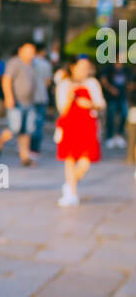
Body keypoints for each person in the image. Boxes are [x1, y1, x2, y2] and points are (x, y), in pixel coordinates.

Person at [55, 55, 105, 206]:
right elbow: (62, 109)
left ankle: (70, 185)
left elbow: (101, 103)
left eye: (87, 67)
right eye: (82, 67)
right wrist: (70, 98)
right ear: (73, 67)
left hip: (88, 126)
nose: (85, 71)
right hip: (69, 125)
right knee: (69, 159)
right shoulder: (64, 84)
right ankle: (72, 192)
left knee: (85, 161)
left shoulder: (92, 83)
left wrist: (90, 105)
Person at [0, 42, 37, 167]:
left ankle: (24, 157)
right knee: (14, 128)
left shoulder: (32, 64)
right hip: (16, 102)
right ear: (21, 50)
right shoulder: (15, 63)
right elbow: (7, 79)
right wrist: (9, 97)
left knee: (26, 131)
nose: (31, 54)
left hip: (29, 102)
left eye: (32, 51)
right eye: (28, 51)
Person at [98, 52, 130, 148]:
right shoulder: (109, 69)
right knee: (111, 117)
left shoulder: (126, 69)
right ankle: (110, 136)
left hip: (122, 97)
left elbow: (130, 81)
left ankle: (119, 135)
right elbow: (103, 80)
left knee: (125, 114)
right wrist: (110, 88)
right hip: (111, 98)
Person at [30, 42, 53, 156]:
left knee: (29, 123)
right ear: (42, 51)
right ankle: (35, 149)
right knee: (39, 125)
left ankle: (26, 146)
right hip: (42, 96)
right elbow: (48, 82)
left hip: (30, 97)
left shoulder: (30, 62)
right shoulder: (46, 64)